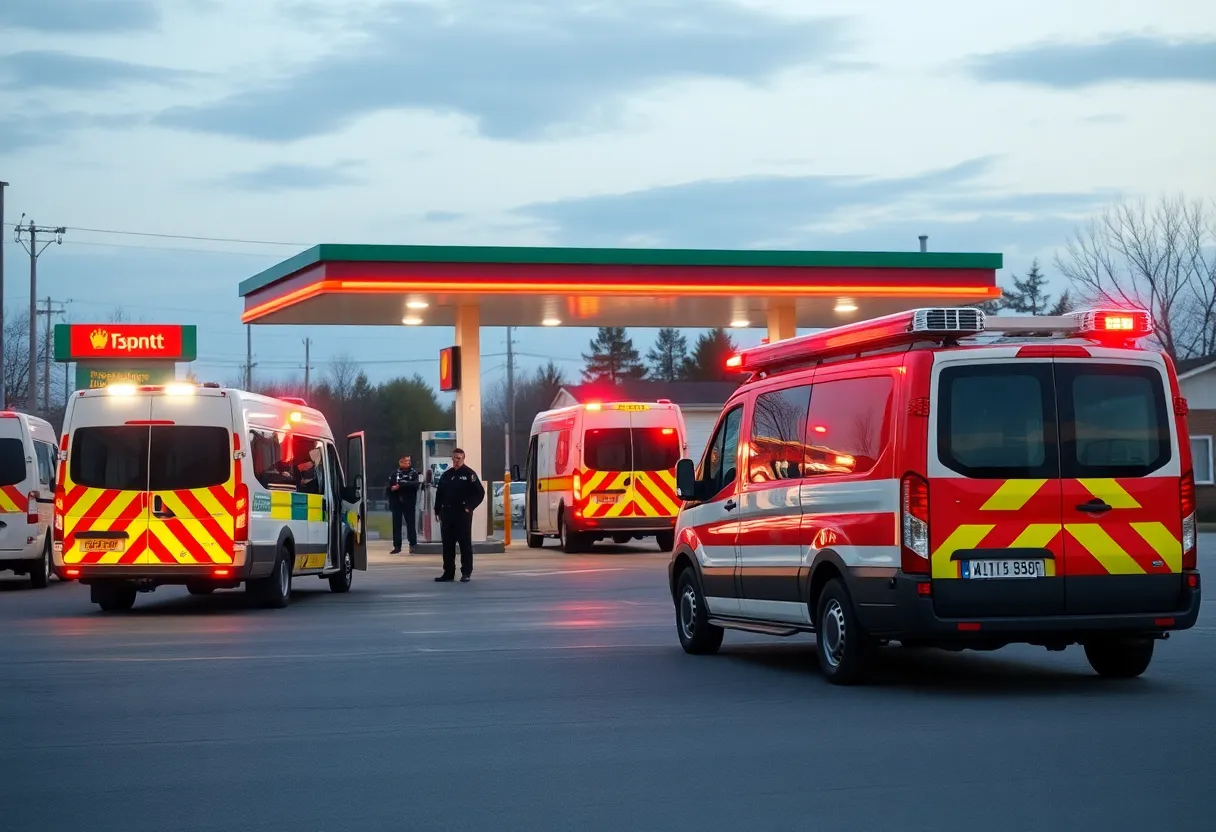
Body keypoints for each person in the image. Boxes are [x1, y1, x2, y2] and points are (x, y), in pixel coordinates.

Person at [433, 448, 484, 582]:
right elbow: (440, 494)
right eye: (454, 458)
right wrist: (437, 510)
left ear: (463, 459)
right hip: (447, 513)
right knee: (447, 545)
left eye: (459, 458)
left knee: (464, 544)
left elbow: (479, 493)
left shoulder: (469, 474)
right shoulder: (446, 475)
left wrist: (469, 506)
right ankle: (448, 572)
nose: (456, 461)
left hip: (462, 514)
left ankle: (466, 572)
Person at [386, 455, 420, 554]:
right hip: (397, 502)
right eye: (405, 461)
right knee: (396, 525)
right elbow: (389, 486)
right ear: (400, 462)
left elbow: (415, 484)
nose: (407, 463)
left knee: (410, 524)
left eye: (408, 461)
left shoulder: (413, 473)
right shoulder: (394, 473)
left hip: (409, 502)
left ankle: (413, 544)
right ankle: (397, 546)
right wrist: (392, 489)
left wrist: (402, 484)